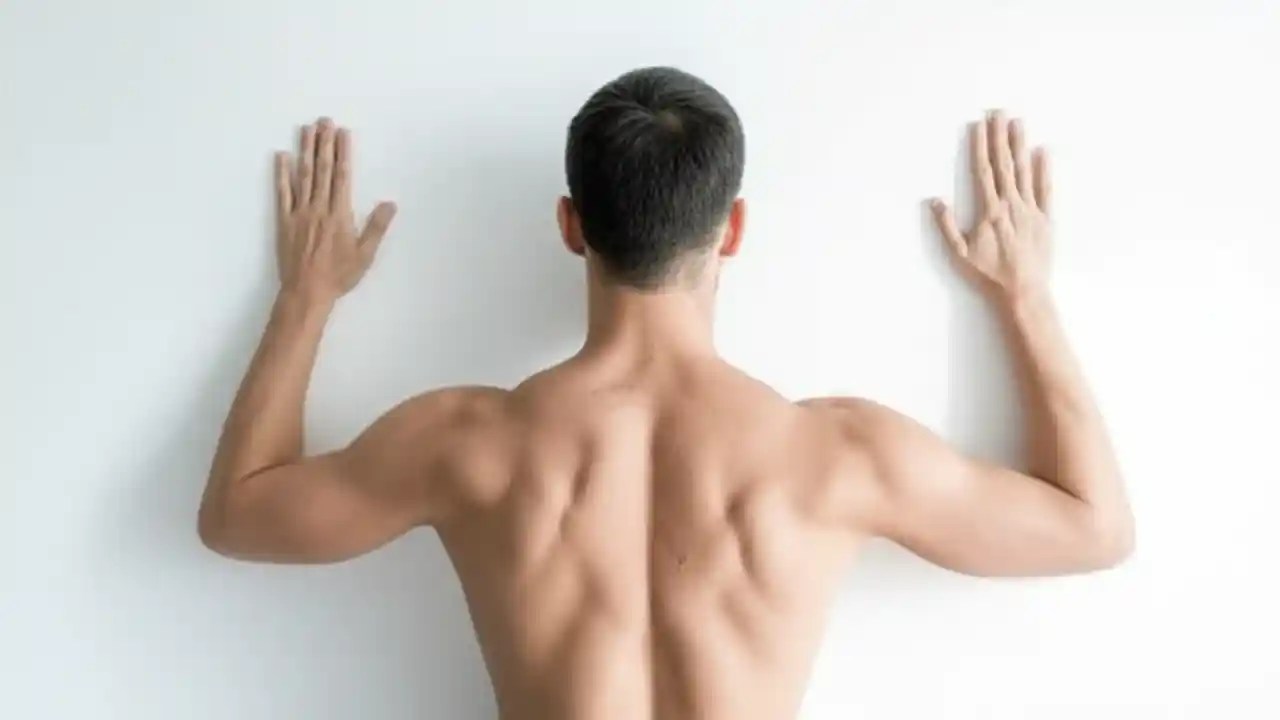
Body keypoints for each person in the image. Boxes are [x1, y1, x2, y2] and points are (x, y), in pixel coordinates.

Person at [197, 67, 1134, 720]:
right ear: (732, 231)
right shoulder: (837, 458)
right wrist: (1025, 297)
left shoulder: (466, 442)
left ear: (571, 226)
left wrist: (306, 295)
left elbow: (235, 515)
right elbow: (1094, 527)